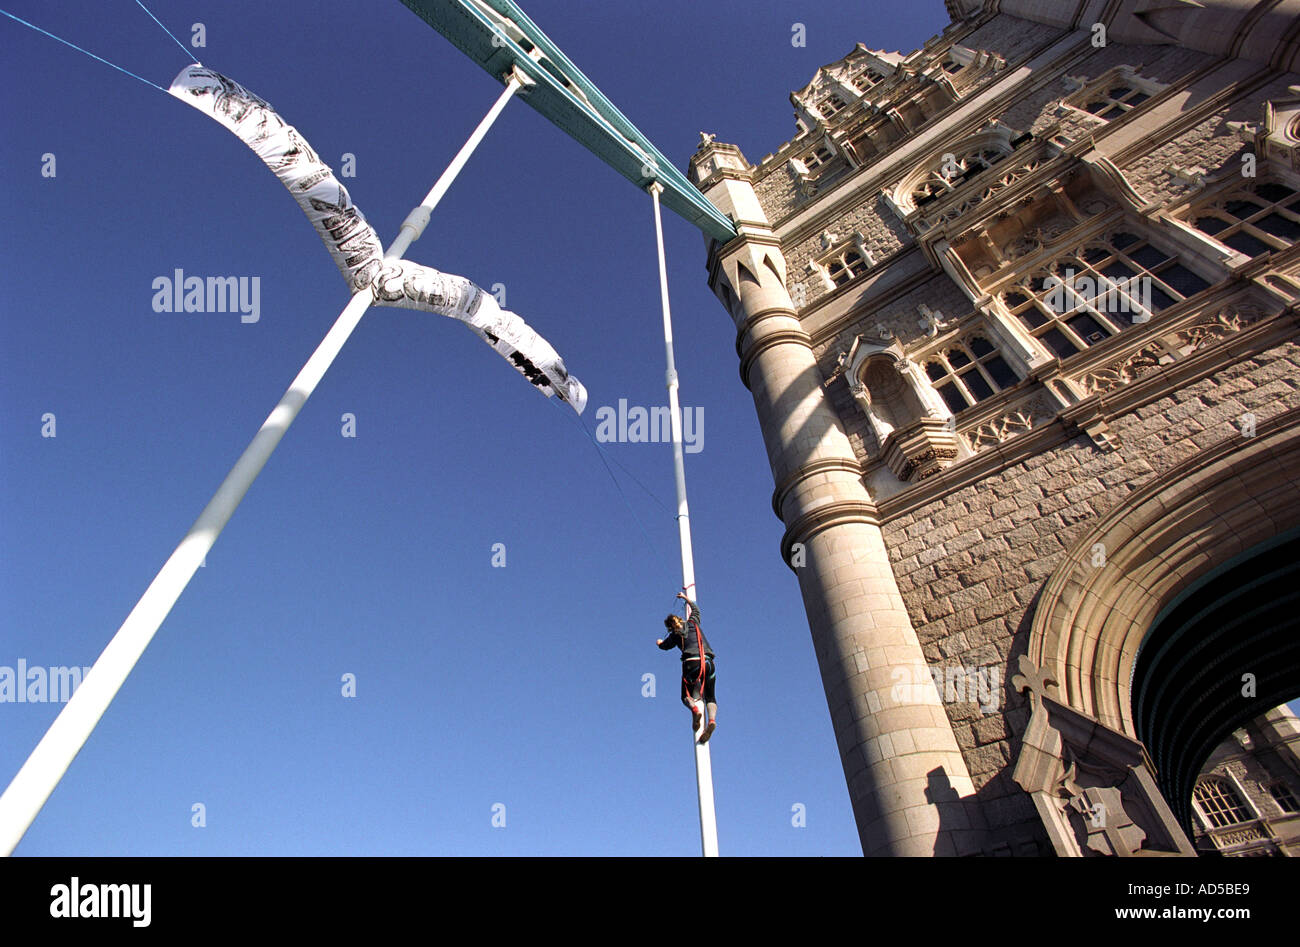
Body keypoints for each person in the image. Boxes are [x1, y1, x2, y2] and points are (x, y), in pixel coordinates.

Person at [656, 591, 717, 744]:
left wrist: (658, 643)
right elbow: (696, 610)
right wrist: (685, 598)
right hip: (708, 662)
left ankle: (695, 710)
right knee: (710, 695)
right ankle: (711, 721)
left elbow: (664, 647)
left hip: (692, 664)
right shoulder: (693, 623)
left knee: (685, 696)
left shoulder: (674, 635)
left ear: (670, 628)